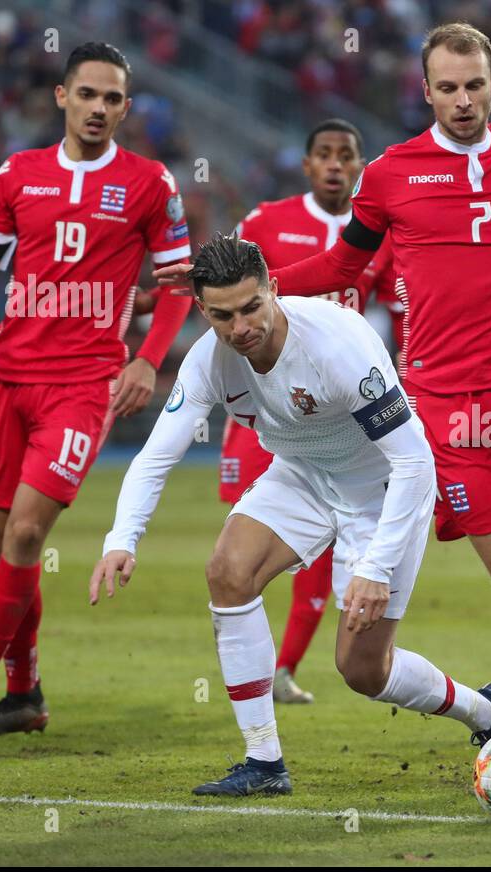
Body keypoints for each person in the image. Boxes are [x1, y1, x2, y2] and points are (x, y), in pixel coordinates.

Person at [158, 22, 491, 784]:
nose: (463, 100)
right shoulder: (392, 173)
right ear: (427, 89)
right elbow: (345, 261)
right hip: (446, 406)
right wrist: (244, 281)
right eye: (447, 87)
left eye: (475, 85)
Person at [91, 235, 491, 796]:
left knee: (363, 670)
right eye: (222, 315)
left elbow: (413, 460)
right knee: (227, 572)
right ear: (203, 311)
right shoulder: (209, 361)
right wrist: (123, 538)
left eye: (251, 307)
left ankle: (484, 711)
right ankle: (263, 762)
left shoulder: (336, 344)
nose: (240, 327)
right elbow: (156, 456)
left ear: (273, 288)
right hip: (301, 475)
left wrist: (377, 567)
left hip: (382, 488)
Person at [0, 42, 193, 738]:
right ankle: (24, 695)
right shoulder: (18, 173)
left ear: (125, 107)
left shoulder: (150, 183)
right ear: (61, 96)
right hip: (5, 379)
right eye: (88, 94)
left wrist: (145, 360)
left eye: (114, 98)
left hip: (82, 387)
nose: (99, 108)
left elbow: (176, 285)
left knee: (27, 531)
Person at [136, 118, 399, 705]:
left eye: (347, 155)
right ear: (307, 165)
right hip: (264, 407)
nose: (335, 164)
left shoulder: (379, 237)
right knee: (243, 547)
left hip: (339, 405)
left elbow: (396, 306)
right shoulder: (268, 222)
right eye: (324, 154)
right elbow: (229, 280)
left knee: (325, 538)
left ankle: (282, 667)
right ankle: (257, 671)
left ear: (358, 165)